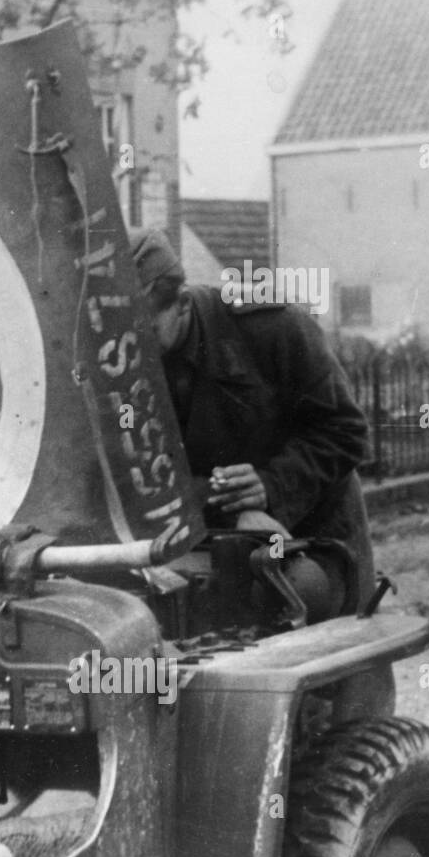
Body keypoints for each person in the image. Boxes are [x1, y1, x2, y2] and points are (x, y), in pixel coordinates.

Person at [130, 228, 375, 604]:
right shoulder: (121, 358)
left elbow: (347, 431)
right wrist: (229, 506)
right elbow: (129, 471)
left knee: (329, 637)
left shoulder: (271, 325)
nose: (136, 349)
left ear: (181, 303)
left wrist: (271, 487)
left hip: (315, 528)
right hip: (212, 537)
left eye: (147, 331)